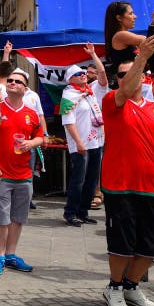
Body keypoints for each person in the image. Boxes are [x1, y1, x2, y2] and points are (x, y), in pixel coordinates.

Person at [100, 35, 154, 306]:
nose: (126, 77)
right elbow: (123, 89)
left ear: (143, 78)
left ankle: (131, 287)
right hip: (120, 185)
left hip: (150, 185)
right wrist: (142, 56)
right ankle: (114, 288)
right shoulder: (113, 101)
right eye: (121, 74)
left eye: (131, 73)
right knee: (121, 243)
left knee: (153, 245)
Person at [0, 68, 43, 275]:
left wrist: (32, 142)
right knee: (0, 218)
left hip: (24, 175)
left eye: (18, 81)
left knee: (17, 218)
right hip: (1, 173)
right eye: (11, 80)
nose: (13, 83)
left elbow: (42, 137)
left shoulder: (31, 114)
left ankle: (11, 255)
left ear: (25, 89)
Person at [60, 43, 109, 227]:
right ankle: (70, 212)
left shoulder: (91, 91)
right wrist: (79, 143)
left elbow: (102, 75)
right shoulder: (69, 96)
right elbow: (69, 123)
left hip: (96, 142)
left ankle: (83, 211)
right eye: (78, 74)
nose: (83, 75)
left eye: (84, 73)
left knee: (91, 180)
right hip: (80, 145)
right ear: (70, 79)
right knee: (78, 181)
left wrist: (94, 55)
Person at [103, 0, 154, 68]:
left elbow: (149, 44)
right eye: (131, 13)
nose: (135, 16)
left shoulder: (122, 36)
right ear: (119, 18)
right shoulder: (120, 35)